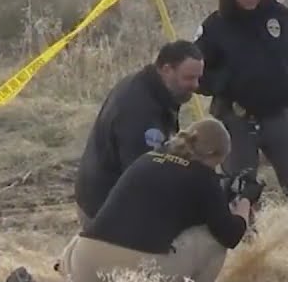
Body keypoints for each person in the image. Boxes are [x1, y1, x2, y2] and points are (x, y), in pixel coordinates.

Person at [0, 118, 255, 282]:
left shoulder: (147, 159)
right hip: (130, 267)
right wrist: (243, 205)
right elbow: (230, 235)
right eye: (219, 161)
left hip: (83, 257)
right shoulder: (203, 178)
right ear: (212, 154)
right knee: (212, 242)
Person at [193, 0, 288, 216]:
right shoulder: (215, 27)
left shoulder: (280, 16)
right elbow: (197, 71)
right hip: (235, 117)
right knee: (240, 186)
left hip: (276, 113)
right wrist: (226, 83)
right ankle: (248, 246)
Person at [73, 41, 204, 229]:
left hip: (107, 193)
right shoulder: (140, 112)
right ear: (167, 70)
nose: (195, 85)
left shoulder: (153, 88)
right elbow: (144, 175)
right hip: (106, 206)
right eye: (189, 78)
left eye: (198, 78)